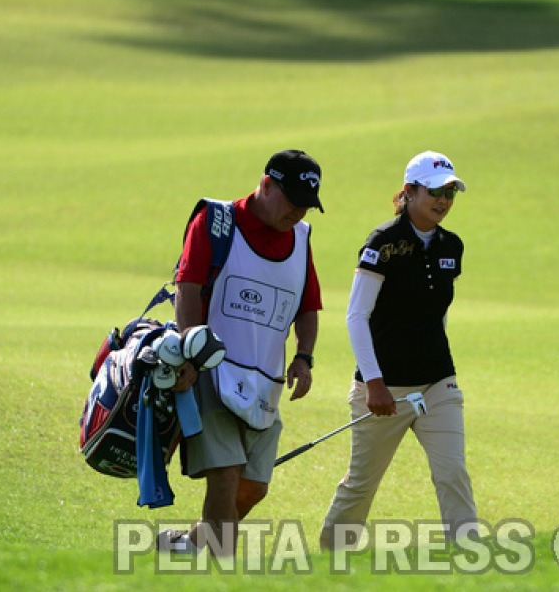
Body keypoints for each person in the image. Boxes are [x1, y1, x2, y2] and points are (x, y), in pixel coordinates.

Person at [157, 149, 324, 557]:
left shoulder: (301, 238)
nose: (298, 213)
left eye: (306, 206)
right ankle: (220, 566)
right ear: (266, 185)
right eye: (292, 201)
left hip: (265, 381)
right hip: (210, 372)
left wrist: (304, 357)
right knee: (226, 473)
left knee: (253, 486)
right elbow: (188, 288)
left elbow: (308, 306)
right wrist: (190, 352)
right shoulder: (216, 222)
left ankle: (189, 546)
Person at [320, 150, 477, 550]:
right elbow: (356, 316)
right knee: (361, 485)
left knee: (453, 473)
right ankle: (331, 558)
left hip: (437, 384)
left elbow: (438, 312)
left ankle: (468, 556)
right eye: (435, 191)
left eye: (450, 193)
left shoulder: (451, 246)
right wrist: (374, 382)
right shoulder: (383, 242)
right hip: (382, 391)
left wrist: (436, 360)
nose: (443, 200)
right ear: (410, 191)